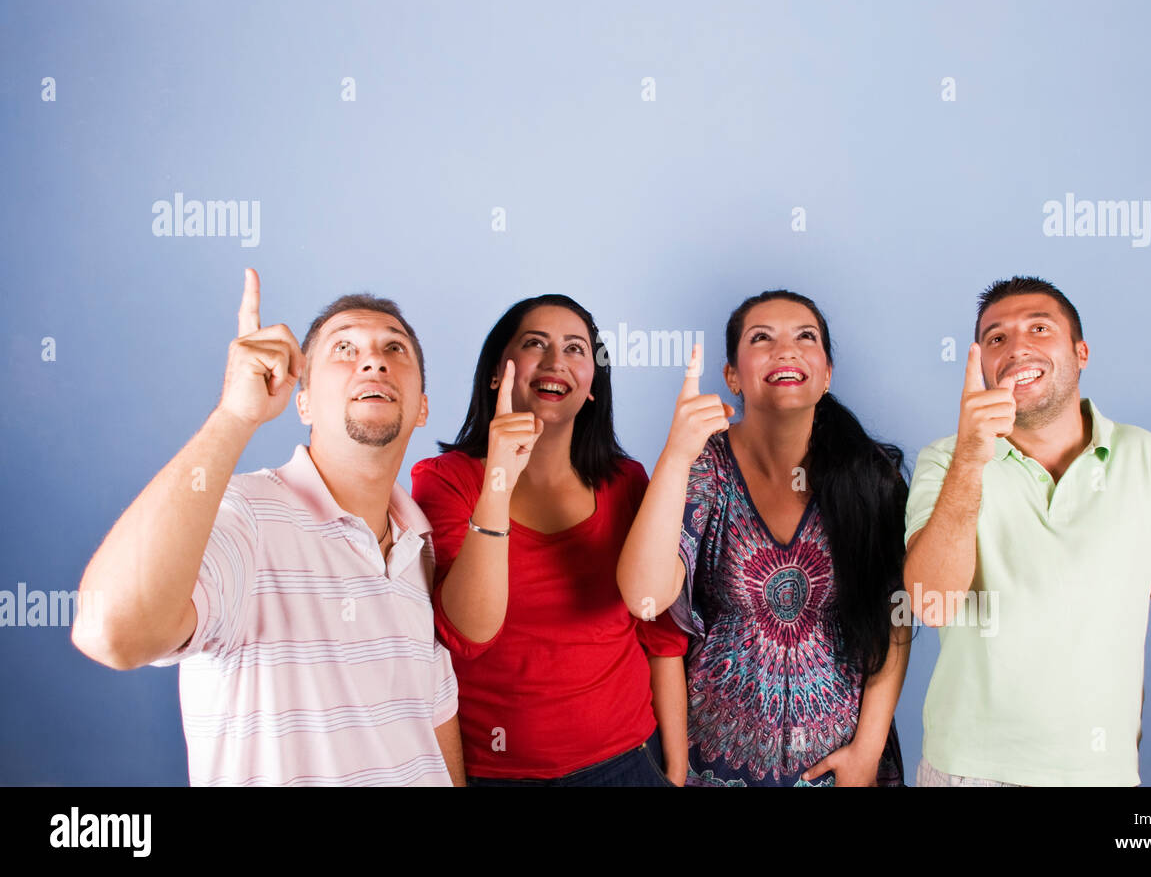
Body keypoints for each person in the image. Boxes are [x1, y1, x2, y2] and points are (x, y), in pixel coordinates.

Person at [71, 269, 463, 786]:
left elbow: (433, 723)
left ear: (422, 409)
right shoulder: (244, 517)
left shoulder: (419, 544)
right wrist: (235, 415)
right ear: (302, 402)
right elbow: (111, 633)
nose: (374, 360)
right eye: (344, 349)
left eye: (395, 349)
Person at [904, 275, 1151, 787]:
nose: (1017, 346)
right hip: (965, 771)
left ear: (1081, 352)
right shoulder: (944, 460)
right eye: (996, 338)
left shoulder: (1145, 458)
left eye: (1040, 328)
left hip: (1102, 773)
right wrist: (971, 460)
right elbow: (930, 603)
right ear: (982, 365)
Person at [618, 290, 910, 786]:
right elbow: (644, 599)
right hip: (713, 765)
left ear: (827, 372)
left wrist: (867, 751)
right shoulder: (702, 468)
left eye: (805, 337)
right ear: (732, 375)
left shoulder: (870, 477)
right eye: (762, 338)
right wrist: (674, 455)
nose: (786, 351)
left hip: (843, 766)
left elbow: (894, 620)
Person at [411, 295, 688, 786]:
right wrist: (498, 477)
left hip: (627, 762)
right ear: (498, 373)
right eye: (535, 344)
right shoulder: (444, 481)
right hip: (496, 771)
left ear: (593, 389)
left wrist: (675, 766)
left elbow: (661, 635)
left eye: (575, 349)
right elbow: (468, 632)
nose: (556, 361)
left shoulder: (627, 482)